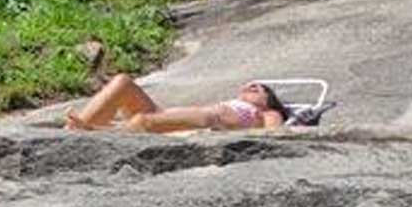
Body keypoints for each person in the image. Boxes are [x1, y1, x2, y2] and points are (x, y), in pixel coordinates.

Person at [64, 73, 288, 132]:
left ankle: (96, 132)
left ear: (268, 102)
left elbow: (273, 133)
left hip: (211, 123)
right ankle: (81, 126)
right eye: (249, 85)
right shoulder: (234, 103)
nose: (252, 86)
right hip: (169, 116)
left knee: (143, 120)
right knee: (123, 82)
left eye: (260, 89)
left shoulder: (268, 113)